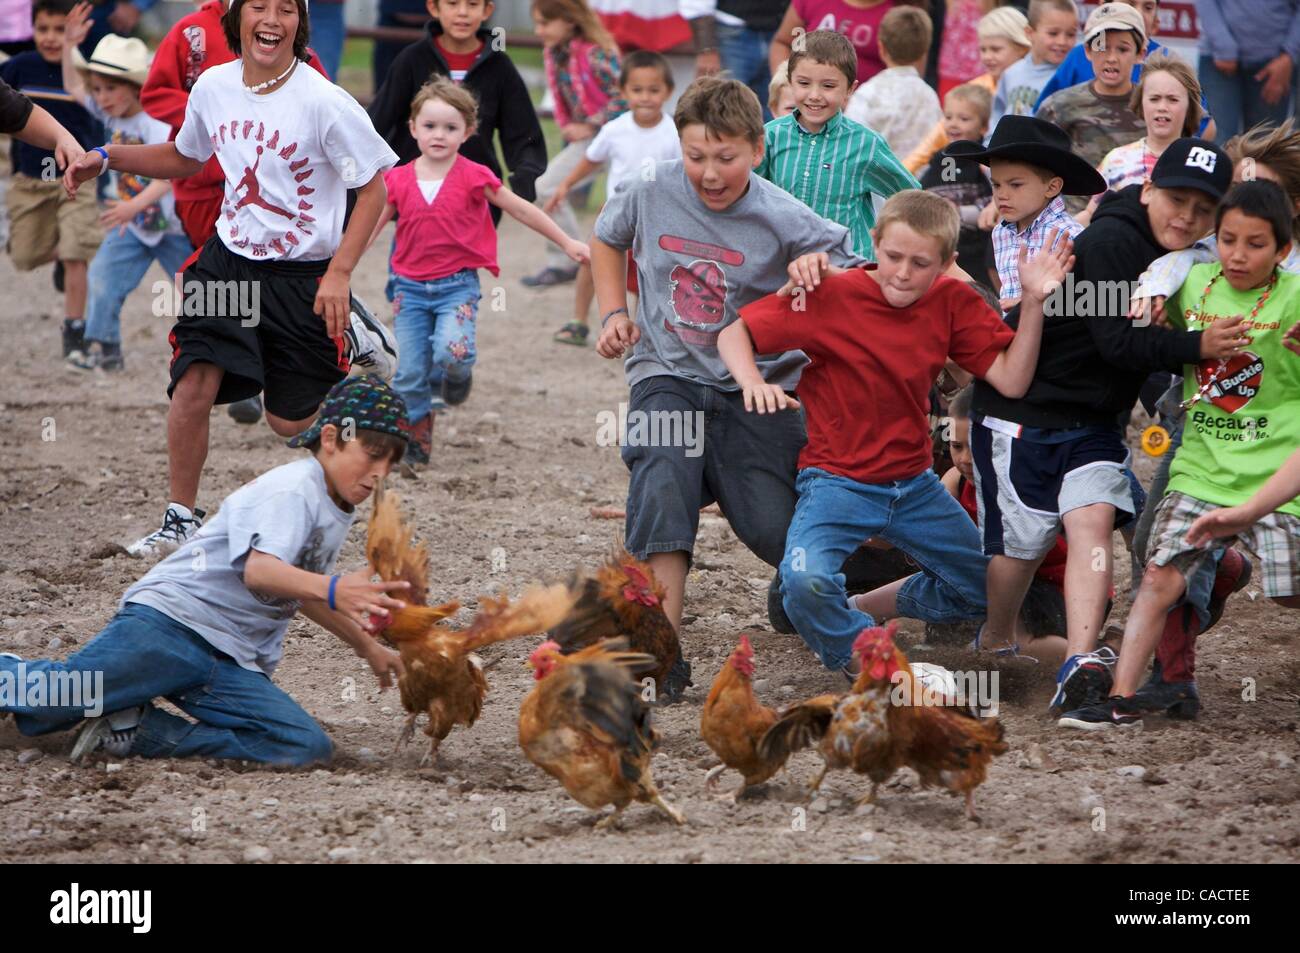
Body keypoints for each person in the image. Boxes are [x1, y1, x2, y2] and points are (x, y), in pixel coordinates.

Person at [63, 0, 399, 559]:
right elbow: (184, 157)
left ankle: (358, 332)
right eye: (258, 7)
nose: (271, 19)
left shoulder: (323, 101)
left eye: (285, 9)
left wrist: (339, 273)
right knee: (194, 380)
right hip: (230, 261)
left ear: (300, 23)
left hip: (302, 276)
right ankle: (178, 519)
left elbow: (374, 191)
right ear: (236, 18)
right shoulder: (214, 86)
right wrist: (107, 156)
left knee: (287, 421)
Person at [719, 191, 1072, 675]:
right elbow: (733, 333)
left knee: (996, 593)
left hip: (914, 486)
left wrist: (1033, 302)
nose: (903, 273)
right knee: (802, 584)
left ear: (948, 263)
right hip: (834, 481)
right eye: (893, 257)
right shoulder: (830, 294)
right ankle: (870, 664)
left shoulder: (952, 303)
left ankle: (868, 610)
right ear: (875, 243)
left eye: (920, 263)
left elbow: (1011, 377)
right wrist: (752, 381)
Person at [965, 138, 1249, 717]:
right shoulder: (1118, 241)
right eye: (1176, 200)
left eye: (1203, 209)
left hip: (1093, 422)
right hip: (1022, 415)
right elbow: (1120, 344)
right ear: (1148, 190)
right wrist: (1199, 346)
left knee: (1093, 523)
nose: (1188, 217)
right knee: (1019, 552)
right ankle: (992, 639)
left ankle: (1080, 660)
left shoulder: (1184, 256)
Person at [0, 376, 413, 766]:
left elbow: (298, 590)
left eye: (391, 463)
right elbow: (261, 572)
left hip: (228, 661)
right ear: (330, 439)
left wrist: (366, 646)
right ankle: (10, 674)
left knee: (304, 746)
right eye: (373, 455)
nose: (380, 473)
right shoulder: (295, 489)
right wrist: (334, 586)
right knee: (59, 699)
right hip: (167, 628)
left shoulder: (337, 505)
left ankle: (134, 728)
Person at [589, 75, 868, 634]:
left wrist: (815, 269)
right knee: (662, 478)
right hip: (666, 372)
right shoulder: (648, 189)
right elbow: (606, 236)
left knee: (776, 529)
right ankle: (658, 648)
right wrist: (614, 312)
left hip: (758, 390)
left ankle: (869, 583)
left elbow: (858, 269)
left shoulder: (784, 215)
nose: (710, 174)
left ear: (757, 149)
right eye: (695, 156)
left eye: (726, 157)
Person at [1060, 180, 1300, 729]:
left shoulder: (1295, 297)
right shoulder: (1194, 282)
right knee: (1158, 576)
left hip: (1278, 474)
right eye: (1229, 239)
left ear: (1283, 250)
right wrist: (1152, 302)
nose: (1238, 254)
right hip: (1203, 468)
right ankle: (1120, 697)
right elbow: (1159, 281)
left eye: (1256, 244)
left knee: (1289, 595)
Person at [369, 78, 589, 467]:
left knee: (452, 352)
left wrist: (566, 242)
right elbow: (367, 229)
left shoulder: (474, 175)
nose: (439, 135)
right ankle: (416, 435)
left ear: (468, 132)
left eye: (450, 128)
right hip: (409, 289)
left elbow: (521, 208)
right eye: (430, 126)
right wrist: (338, 264)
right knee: (408, 371)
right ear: (413, 128)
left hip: (457, 287)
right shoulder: (398, 179)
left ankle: (457, 376)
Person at [140, 0, 339, 427]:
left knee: (264, 278)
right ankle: (240, 373)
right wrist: (216, 116)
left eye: (282, 9)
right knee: (223, 283)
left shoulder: (288, 36)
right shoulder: (191, 32)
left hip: (271, 194)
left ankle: (268, 369)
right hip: (200, 188)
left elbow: (319, 115)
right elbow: (155, 94)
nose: (269, 16)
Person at [61, 4, 193, 373]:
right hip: (130, 225)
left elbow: (170, 177)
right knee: (102, 278)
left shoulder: (156, 123)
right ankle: (105, 346)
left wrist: (134, 205)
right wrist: (71, 47)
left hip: (171, 226)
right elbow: (73, 85)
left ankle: (217, 348)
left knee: (197, 291)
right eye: (98, 89)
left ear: (136, 88)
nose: (101, 97)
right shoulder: (109, 113)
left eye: (110, 89)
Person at [543, 50, 679, 345]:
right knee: (592, 263)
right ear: (622, 91)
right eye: (637, 89)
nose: (645, 97)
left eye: (653, 90)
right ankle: (578, 321)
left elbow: (682, 174)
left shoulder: (673, 133)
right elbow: (592, 159)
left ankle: (641, 334)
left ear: (667, 91)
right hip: (615, 211)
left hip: (656, 217)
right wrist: (565, 184)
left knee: (648, 273)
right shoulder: (615, 129)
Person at [367, 0, 547, 220]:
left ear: (487, 10)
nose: (462, 13)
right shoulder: (411, 60)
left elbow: (522, 130)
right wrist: (355, 176)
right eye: (452, 3)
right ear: (434, 8)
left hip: (476, 202)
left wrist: (525, 176)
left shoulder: (500, 67)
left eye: (472, 4)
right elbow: (377, 122)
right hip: (415, 200)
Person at [757, 30, 920, 261]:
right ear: (791, 82)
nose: (814, 95)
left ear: (850, 90)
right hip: (783, 267)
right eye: (804, 83)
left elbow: (911, 197)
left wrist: (890, 243)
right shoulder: (771, 136)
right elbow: (749, 196)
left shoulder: (866, 144)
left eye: (828, 86)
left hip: (847, 272)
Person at [1, 0, 100, 362]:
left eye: (60, 30)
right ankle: (59, 254)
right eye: (44, 29)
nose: (51, 38)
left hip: (76, 180)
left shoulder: (82, 72)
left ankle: (74, 332)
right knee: (25, 255)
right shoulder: (16, 69)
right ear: (31, 29)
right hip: (30, 183)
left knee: (78, 253)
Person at [944, 114, 1105, 310]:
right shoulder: (1001, 232)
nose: (1002, 194)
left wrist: (1032, 302)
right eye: (996, 184)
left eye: (1015, 185)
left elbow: (1089, 300)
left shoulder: (1068, 236)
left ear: (1052, 187)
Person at [520, 0, 624, 289]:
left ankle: (605, 264)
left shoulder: (597, 54)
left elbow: (625, 96)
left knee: (624, 201)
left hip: (617, 138)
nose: (539, 31)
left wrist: (591, 123)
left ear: (568, 21)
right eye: (537, 23)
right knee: (547, 187)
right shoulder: (556, 53)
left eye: (544, 23)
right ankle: (571, 258)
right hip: (591, 139)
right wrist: (571, 126)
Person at [1035, 2, 1148, 212]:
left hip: (1136, 216)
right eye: (1101, 46)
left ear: (1140, 53)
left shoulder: (1152, 104)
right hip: (1073, 219)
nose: (1111, 58)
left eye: (1123, 49)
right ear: (1087, 51)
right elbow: (1034, 162)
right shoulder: (1060, 104)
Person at [1079, 51, 1203, 227]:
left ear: (1189, 106)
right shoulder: (1117, 159)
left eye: (1172, 99)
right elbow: (1091, 214)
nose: (1162, 107)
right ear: (1141, 103)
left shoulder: (1203, 160)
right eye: (1154, 99)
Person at [904, 4, 1029, 174]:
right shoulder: (976, 89)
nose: (987, 57)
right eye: (983, 50)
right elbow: (931, 142)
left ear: (1022, 48)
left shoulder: (1032, 87)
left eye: (996, 49)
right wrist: (903, 172)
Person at [844, 5, 942, 160]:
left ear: (881, 48)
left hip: (874, 180)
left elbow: (850, 143)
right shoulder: (930, 97)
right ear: (925, 52)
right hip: (917, 182)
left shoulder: (868, 93)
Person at [1195, 0, 1300, 144]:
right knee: (1217, 142)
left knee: (1264, 146)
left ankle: (1249, 168)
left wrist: (1288, 55)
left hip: (1276, 64)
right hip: (1217, 59)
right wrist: (1222, 45)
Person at [920, 83, 994, 280]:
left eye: (964, 119)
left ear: (984, 126)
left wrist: (960, 212)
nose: (953, 124)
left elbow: (994, 203)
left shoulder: (984, 160)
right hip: (942, 245)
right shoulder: (940, 159)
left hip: (976, 249)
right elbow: (925, 190)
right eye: (948, 117)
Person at [682, 0, 788, 121]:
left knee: (776, 112)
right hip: (731, 32)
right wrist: (707, 49)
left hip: (781, 30)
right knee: (726, 110)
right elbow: (695, 5)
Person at [770, 0, 915, 85]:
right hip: (807, 109)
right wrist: (787, 84)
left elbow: (909, 76)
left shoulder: (904, 14)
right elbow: (783, 43)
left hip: (870, 121)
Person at [988, 0, 1077, 132]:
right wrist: (989, 147)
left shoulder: (1070, 78)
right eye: (1053, 33)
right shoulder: (1011, 73)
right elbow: (997, 118)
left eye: (1070, 34)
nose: (1062, 41)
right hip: (1007, 151)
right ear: (1030, 33)